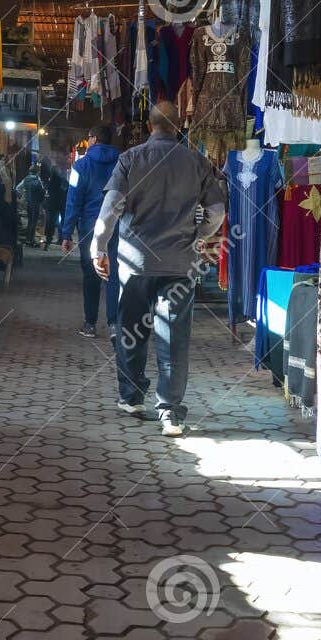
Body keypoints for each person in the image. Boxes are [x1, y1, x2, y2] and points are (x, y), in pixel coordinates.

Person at [92, 102, 226, 436]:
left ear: (150, 126)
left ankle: (131, 396)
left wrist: (98, 248)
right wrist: (200, 232)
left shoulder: (131, 159)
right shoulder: (196, 162)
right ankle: (171, 415)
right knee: (174, 336)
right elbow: (217, 211)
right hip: (179, 264)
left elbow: (110, 209)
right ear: (179, 127)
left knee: (130, 330)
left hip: (134, 264)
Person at [62, 126, 121, 338]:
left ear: (94, 138)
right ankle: (114, 323)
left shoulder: (81, 165)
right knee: (113, 273)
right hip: (116, 224)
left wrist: (67, 232)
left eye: (88, 138)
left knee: (91, 273)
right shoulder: (122, 162)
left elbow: (73, 199)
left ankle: (90, 324)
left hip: (89, 227)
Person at [16, 164, 45, 247]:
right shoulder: (37, 180)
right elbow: (42, 191)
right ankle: (30, 239)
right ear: (37, 172)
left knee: (30, 221)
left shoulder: (26, 179)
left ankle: (28, 239)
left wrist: (22, 198)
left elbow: (17, 188)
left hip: (28, 203)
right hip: (36, 203)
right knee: (34, 222)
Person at [39, 157, 63, 248]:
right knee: (53, 221)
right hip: (56, 203)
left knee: (49, 221)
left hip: (49, 203)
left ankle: (47, 239)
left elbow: (46, 190)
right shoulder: (58, 179)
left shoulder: (47, 179)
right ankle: (49, 239)